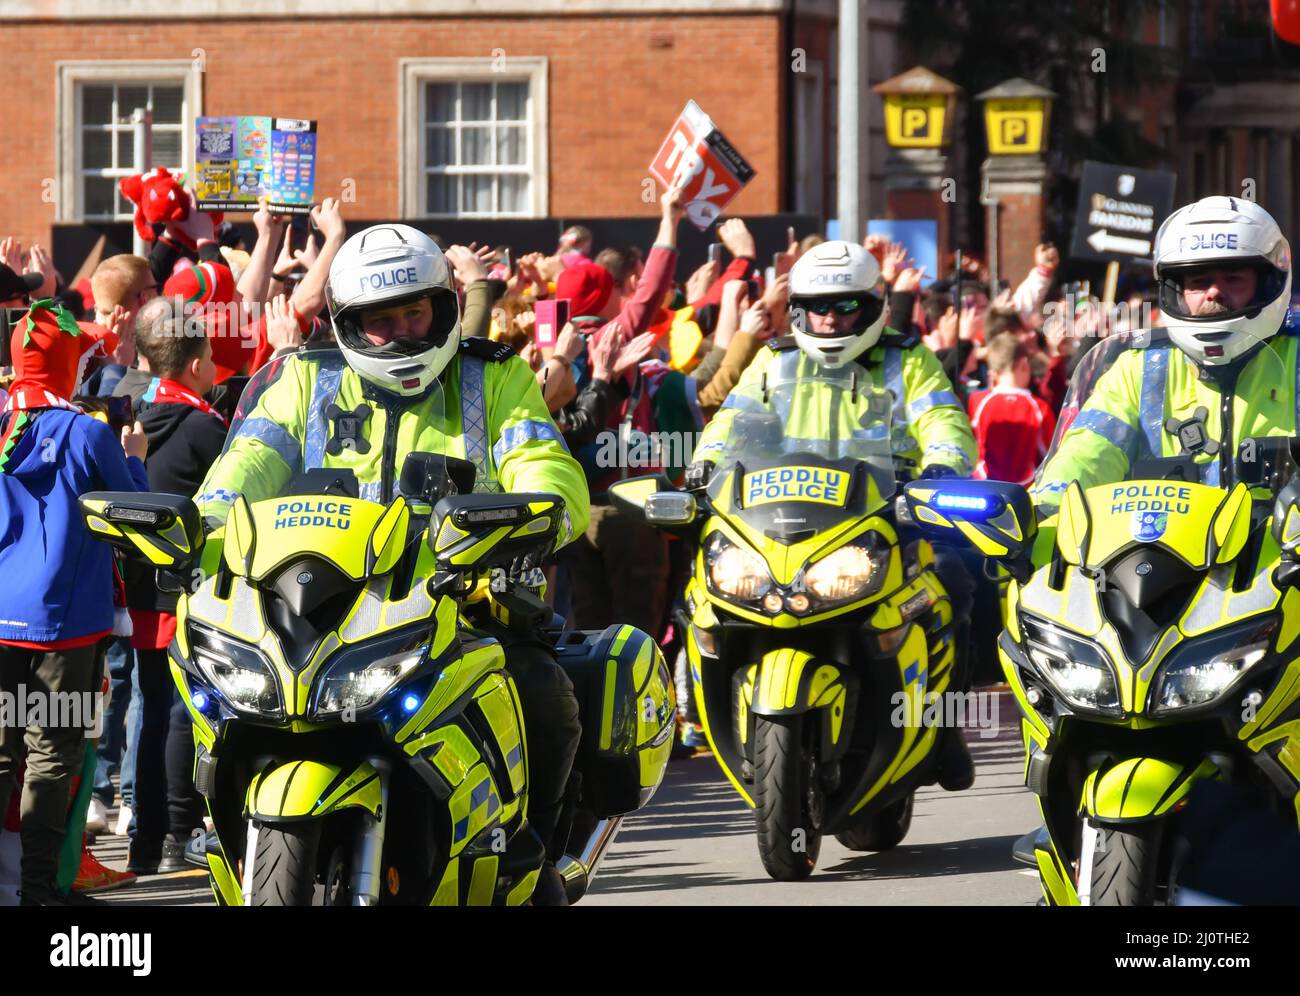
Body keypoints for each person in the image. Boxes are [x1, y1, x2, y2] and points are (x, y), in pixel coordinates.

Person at [194, 223, 587, 903]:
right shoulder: (302, 382)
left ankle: (531, 854)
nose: (403, 332)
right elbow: (248, 462)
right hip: (326, 607)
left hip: (466, 599)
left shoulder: (493, 376)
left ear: (446, 303)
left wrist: (541, 508)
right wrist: (204, 525)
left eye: (416, 312)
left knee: (544, 693)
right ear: (348, 322)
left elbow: (542, 458)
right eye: (381, 321)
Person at [686, 240, 980, 790]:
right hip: (781, 520)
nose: (828, 318)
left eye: (845, 306)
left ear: (874, 306)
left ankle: (945, 726)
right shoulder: (775, 361)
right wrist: (705, 466)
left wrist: (943, 466)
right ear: (796, 310)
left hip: (887, 518)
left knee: (959, 584)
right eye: (817, 306)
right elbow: (731, 420)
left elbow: (942, 421)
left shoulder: (907, 360)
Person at [0, 300, 149, 905]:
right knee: (51, 758)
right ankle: (37, 892)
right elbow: (132, 511)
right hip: (65, 630)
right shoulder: (88, 431)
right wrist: (135, 457)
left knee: (3, 755)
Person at [1034, 196, 1294, 505]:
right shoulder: (1139, 369)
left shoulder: (1297, 357)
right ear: (1175, 291)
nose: (1214, 291)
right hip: (1162, 549)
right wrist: (1046, 509)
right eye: (1199, 281)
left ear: (1267, 284)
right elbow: (1087, 451)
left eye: (1233, 278)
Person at [123, 297, 229, 874]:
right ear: (194, 365)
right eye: (211, 355)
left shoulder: (131, 414)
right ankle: (180, 831)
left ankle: (148, 836)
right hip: (187, 588)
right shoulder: (203, 427)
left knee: (154, 711)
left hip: (136, 589)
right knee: (185, 713)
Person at [968, 333, 1056, 486]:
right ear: (1024, 364)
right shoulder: (1039, 407)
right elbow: (1051, 454)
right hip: (1025, 489)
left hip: (981, 485)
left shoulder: (977, 401)